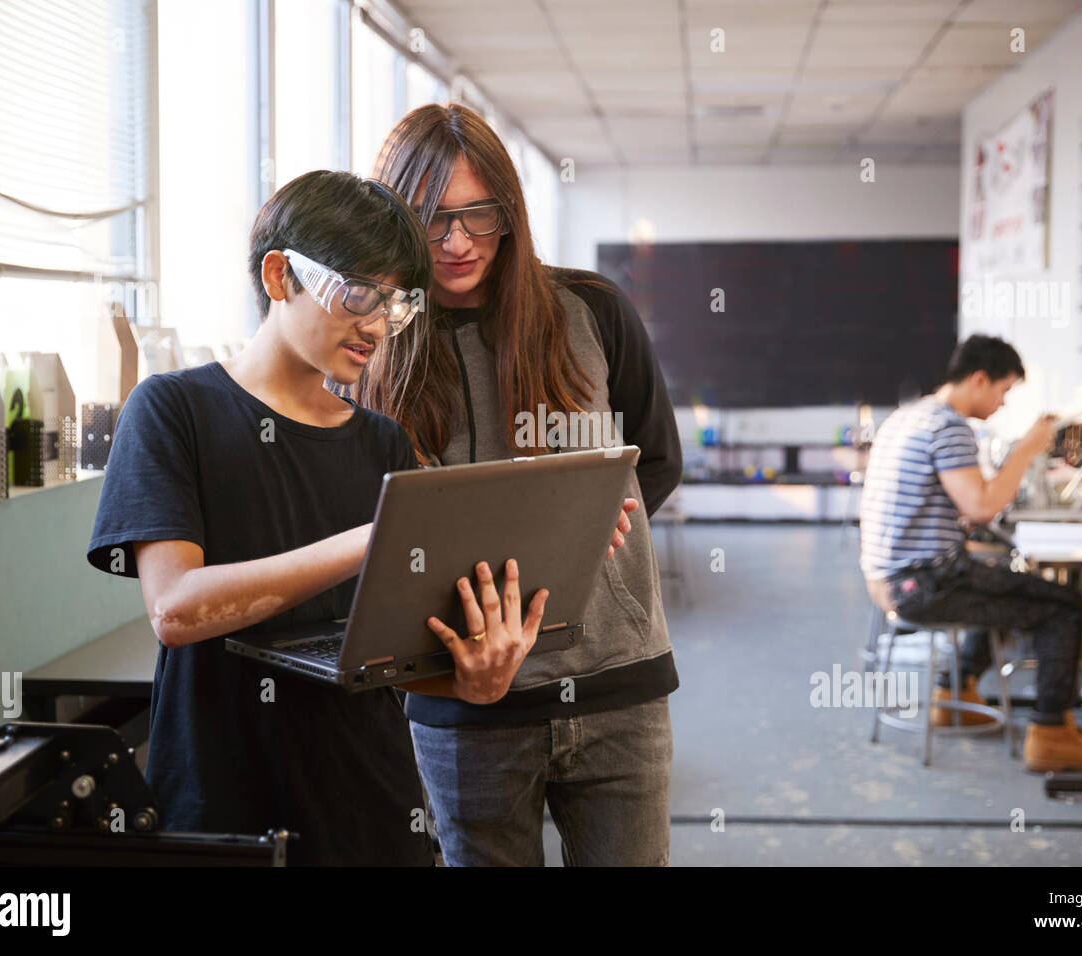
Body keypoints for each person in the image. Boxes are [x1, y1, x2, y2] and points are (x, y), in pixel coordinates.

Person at [86, 171, 557, 864]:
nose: (375, 324)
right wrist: (372, 541)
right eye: (359, 292)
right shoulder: (172, 411)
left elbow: (383, 657)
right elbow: (177, 612)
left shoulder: (381, 443)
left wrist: (469, 678)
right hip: (223, 810)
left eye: (394, 305)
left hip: (370, 811)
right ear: (280, 276)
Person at [346, 103, 683, 866]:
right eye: (432, 218)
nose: (458, 241)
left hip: (616, 684)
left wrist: (594, 521)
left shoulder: (592, 309)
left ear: (511, 212)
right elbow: (364, 520)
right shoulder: (366, 344)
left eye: (479, 214)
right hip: (462, 701)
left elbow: (653, 460)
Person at [860, 334, 1082, 772]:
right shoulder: (948, 425)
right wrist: (1026, 449)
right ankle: (1052, 735)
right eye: (1004, 390)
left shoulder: (911, 416)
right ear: (979, 380)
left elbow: (962, 506)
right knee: (1064, 606)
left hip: (889, 579)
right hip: (924, 586)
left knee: (998, 579)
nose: (1002, 403)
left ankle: (954, 693)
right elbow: (982, 506)